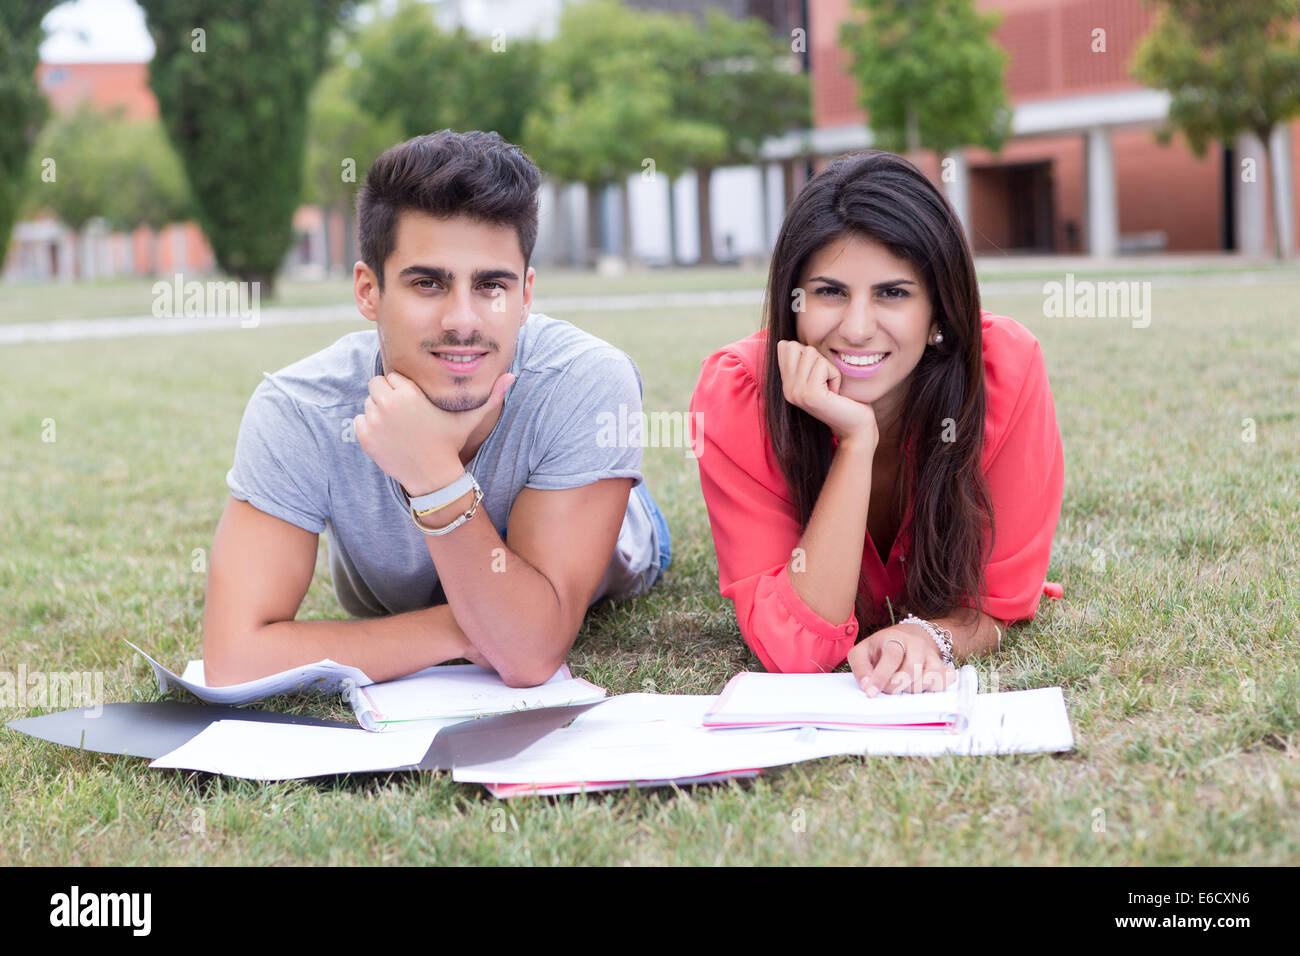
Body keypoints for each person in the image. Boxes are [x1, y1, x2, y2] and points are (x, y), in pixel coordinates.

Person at [202, 130, 671, 688]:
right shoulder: (298, 409)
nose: (463, 320)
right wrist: (462, 628)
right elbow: (233, 661)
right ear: (368, 291)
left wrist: (433, 474)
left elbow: (528, 653)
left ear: (526, 295)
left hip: (613, 530)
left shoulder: (586, 380)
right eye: (428, 283)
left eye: (492, 285)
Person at [689, 149, 1063, 696]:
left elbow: (999, 598)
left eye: (893, 293)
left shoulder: (1003, 371)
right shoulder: (739, 392)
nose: (857, 328)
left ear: (939, 308)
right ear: (792, 301)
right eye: (829, 292)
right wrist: (856, 441)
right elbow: (797, 650)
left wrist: (930, 635)